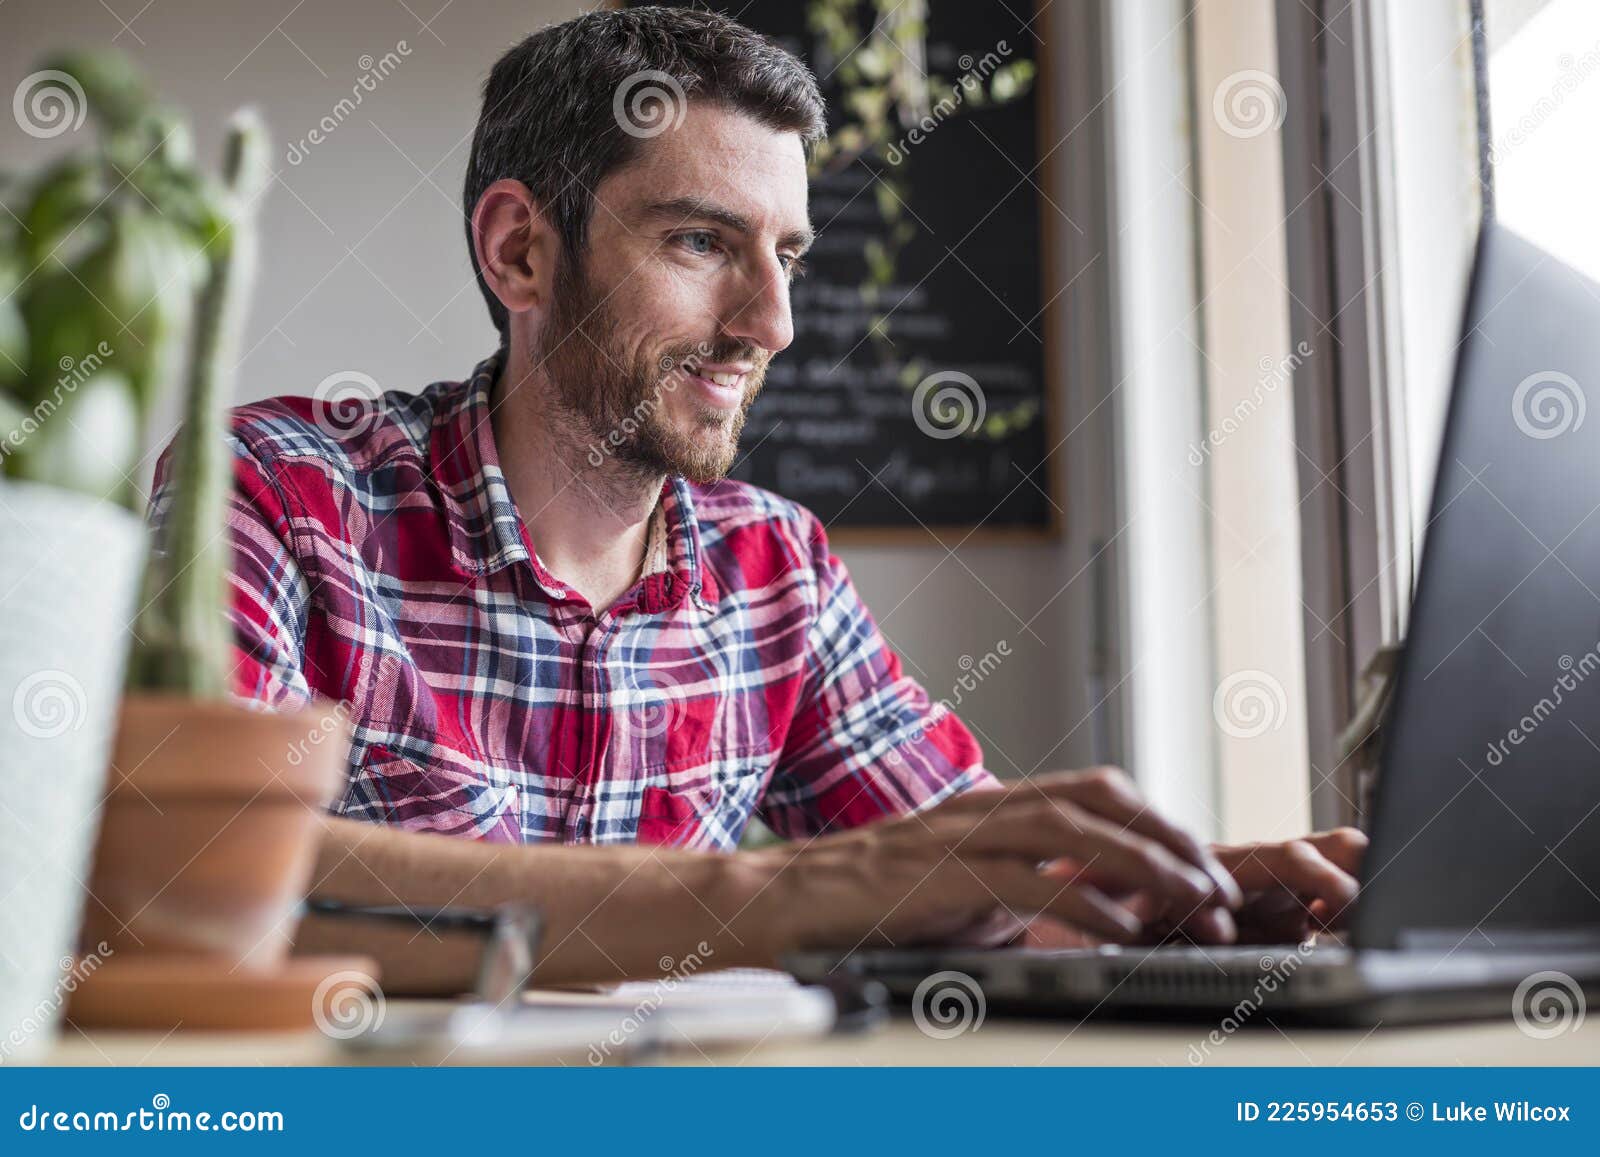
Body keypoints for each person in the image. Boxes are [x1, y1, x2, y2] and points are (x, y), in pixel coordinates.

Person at [154, 6, 1364, 992]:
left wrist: (1178, 887)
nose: (770, 324)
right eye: (699, 242)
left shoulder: (773, 565)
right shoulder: (275, 494)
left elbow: (973, 878)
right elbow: (182, 879)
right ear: (519, 249)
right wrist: (785, 891)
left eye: (785, 255)